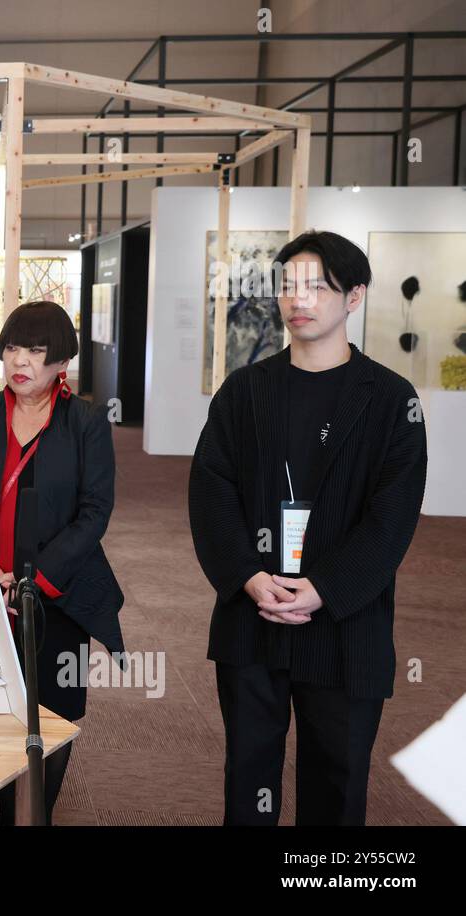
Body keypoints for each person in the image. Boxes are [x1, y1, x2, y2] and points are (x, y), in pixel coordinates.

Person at [188, 230, 427, 826]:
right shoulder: (245, 391)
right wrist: (245, 574)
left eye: (317, 286)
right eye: (289, 286)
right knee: (248, 780)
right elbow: (211, 491)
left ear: (354, 298)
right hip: (254, 615)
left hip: (345, 626)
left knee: (336, 785)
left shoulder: (392, 401)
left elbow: (390, 519)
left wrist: (324, 587)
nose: (299, 299)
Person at [0, 300, 124, 825]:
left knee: (53, 710)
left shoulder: (85, 420)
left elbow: (95, 511)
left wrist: (34, 581)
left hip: (55, 593)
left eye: (36, 351)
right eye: (13, 348)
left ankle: (35, 812)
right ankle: (6, 812)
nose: (20, 361)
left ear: (61, 362)